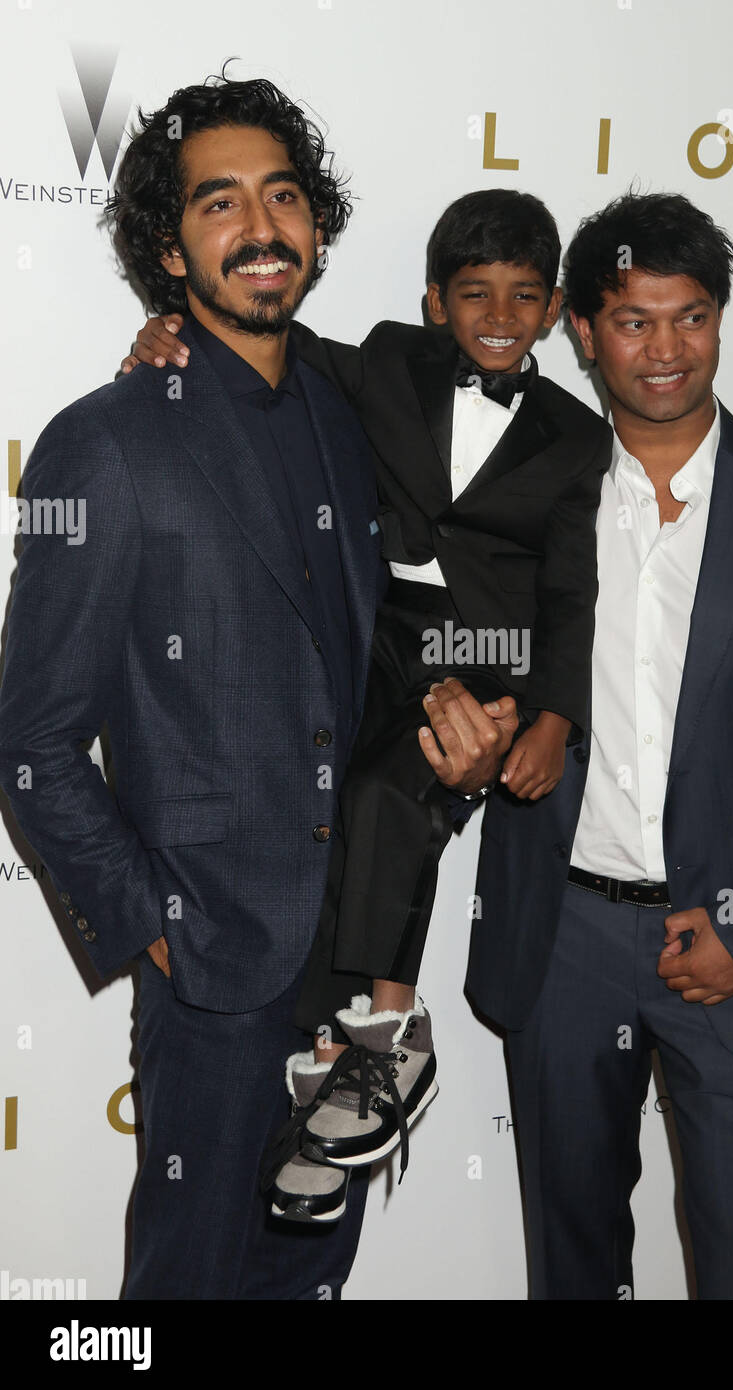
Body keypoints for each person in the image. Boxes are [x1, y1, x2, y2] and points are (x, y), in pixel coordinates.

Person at [0, 73, 509, 1298]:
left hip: (353, 958)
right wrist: (154, 927)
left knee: (306, 1277)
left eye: (282, 195)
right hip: (217, 960)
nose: (259, 226)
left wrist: (471, 735)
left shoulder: (350, 418)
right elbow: (31, 736)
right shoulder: (108, 441)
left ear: (317, 227)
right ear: (169, 248)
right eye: (217, 203)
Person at [454, 191, 733, 1299]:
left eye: (690, 317)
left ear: (719, 318)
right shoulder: (522, 493)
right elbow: (360, 400)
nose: (664, 349)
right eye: (632, 320)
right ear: (582, 329)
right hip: (562, 933)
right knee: (572, 1261)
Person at [125, 189, 613, 1215]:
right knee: (324, 804)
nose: (498, 314)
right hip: (377, 638)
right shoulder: (389, 356)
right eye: (474, 292)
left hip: (486, 657)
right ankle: (326, 1055)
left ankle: (392, 1034)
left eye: (525, 296)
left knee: (399, 791)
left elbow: (572, 589)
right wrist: (171, 328)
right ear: (435, 302)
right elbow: (288, 349)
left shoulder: (575, 436)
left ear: (555, 306)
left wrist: (554, 718)